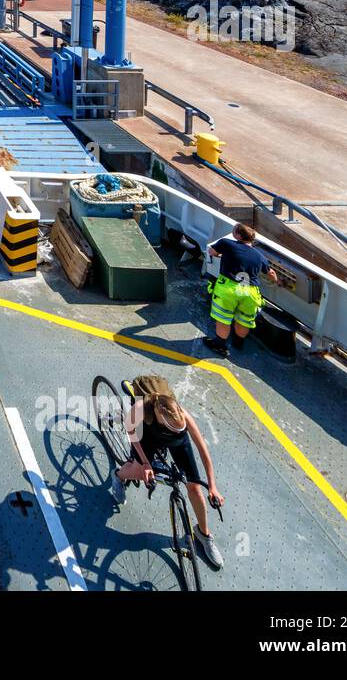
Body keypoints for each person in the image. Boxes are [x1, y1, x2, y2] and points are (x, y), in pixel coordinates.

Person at [110, 374, 226, 570]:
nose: (180, 428)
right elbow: (131, 433)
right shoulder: (141, 410)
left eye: (181, 427)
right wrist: (145, 463)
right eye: (175, 427)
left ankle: (204, 535)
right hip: (148, 436)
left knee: (195, 488)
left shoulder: (183, 417)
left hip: (177, 442)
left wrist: (213, 487)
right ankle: (118, 476)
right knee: (139, 471)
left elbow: (203, 451)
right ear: (160, 418)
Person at [205, 223, 278, 356]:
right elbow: (272, 274)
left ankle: (220, 346)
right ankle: (238, 343)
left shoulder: (226, 243)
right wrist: (276, 281)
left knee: (223, 319)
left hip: (229, 289)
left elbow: (212, 252)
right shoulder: (259, 256)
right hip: (251, 292)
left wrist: (224, 257)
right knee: (244, 320)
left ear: (238, 235)